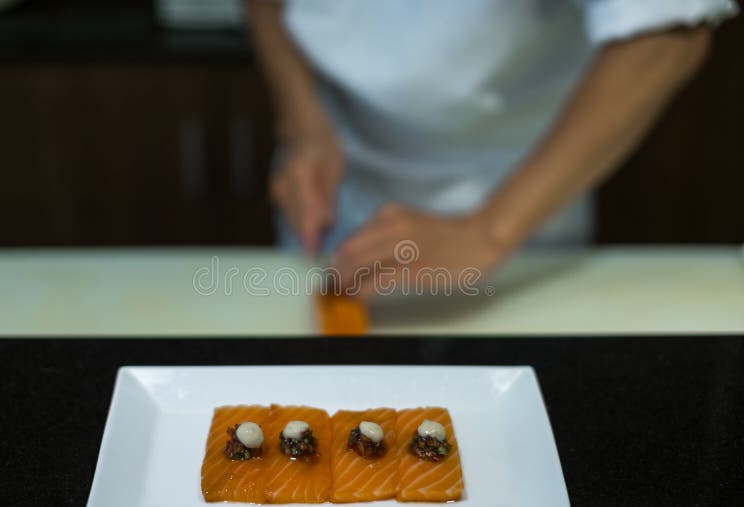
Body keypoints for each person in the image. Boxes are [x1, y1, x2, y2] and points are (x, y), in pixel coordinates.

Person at [246, 0, 737, 296]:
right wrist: (303, 122)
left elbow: (667, 34)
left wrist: (490, 232)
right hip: (335, 196)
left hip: (517, 202)